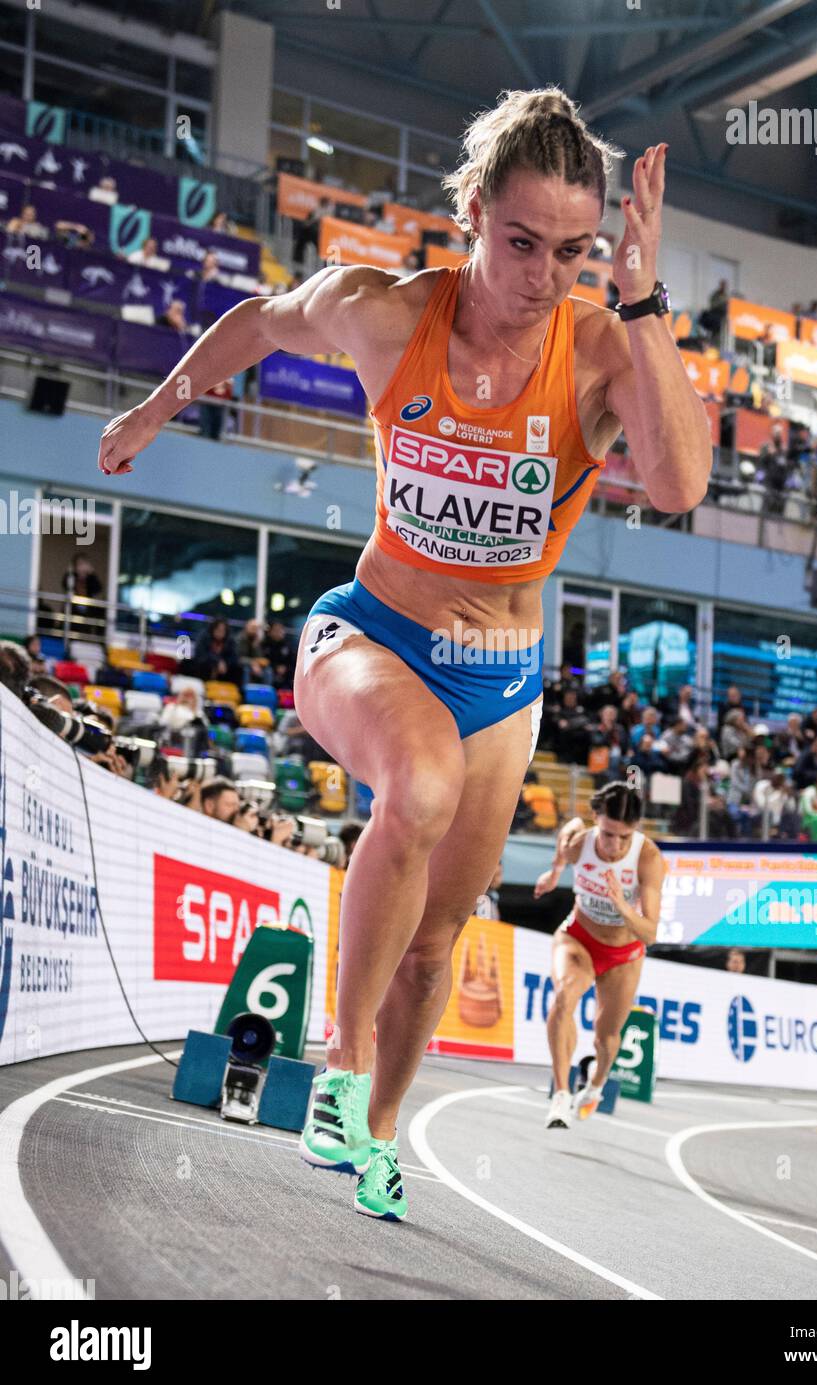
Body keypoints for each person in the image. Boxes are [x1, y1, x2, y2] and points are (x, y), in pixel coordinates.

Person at [97, 87, 710, 1222]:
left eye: (575, 251)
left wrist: (647, 301)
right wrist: (158, 405)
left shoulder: (602, 348)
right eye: (523, 243)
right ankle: (334, 1070)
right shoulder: (386, 314)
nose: (546, 275)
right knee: (416, 783)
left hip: (506, 682)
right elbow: (260, 317)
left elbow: (677, 483)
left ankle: (374, 1135)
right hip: (368, 634)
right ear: (474, 212)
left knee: (436, 949)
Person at [534, 781, 665, 1126]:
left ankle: (594, 1086)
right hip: (579, 937)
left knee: (605, 1037)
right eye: (608, 834)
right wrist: (555, 871)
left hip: (625, 952)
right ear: (596, 820)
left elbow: (650, 932)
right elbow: (568, 833)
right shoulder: (582, 843)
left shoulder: (647, 857)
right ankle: (561, 1096)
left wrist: (621, 903)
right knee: (564, 997)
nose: (614, 846)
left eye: (624, 837)